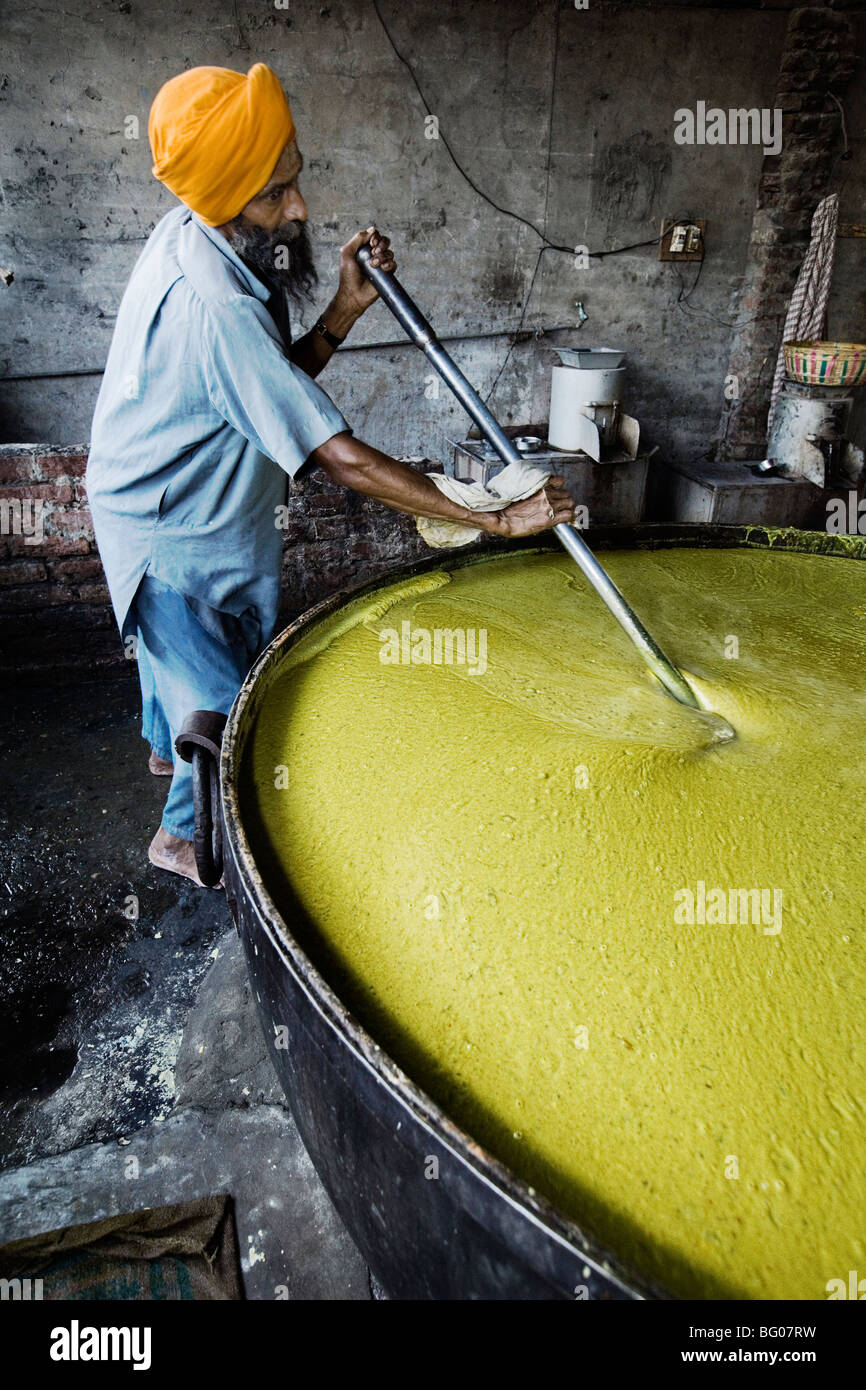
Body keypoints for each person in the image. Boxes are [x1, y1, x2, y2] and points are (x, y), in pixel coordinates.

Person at [86, 62, 575, 886]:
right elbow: (333, 453)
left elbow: (271, 384)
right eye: (276, 195)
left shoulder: (204, 234)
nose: (300, 207)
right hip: (167, 534)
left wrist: (346, 309)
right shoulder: (214, 304)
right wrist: (492, 517)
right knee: (230, 709)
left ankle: (168, 755)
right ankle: (180, 839)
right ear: (227, 201)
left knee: (179, 674)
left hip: (187, 495)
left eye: (295, 180)